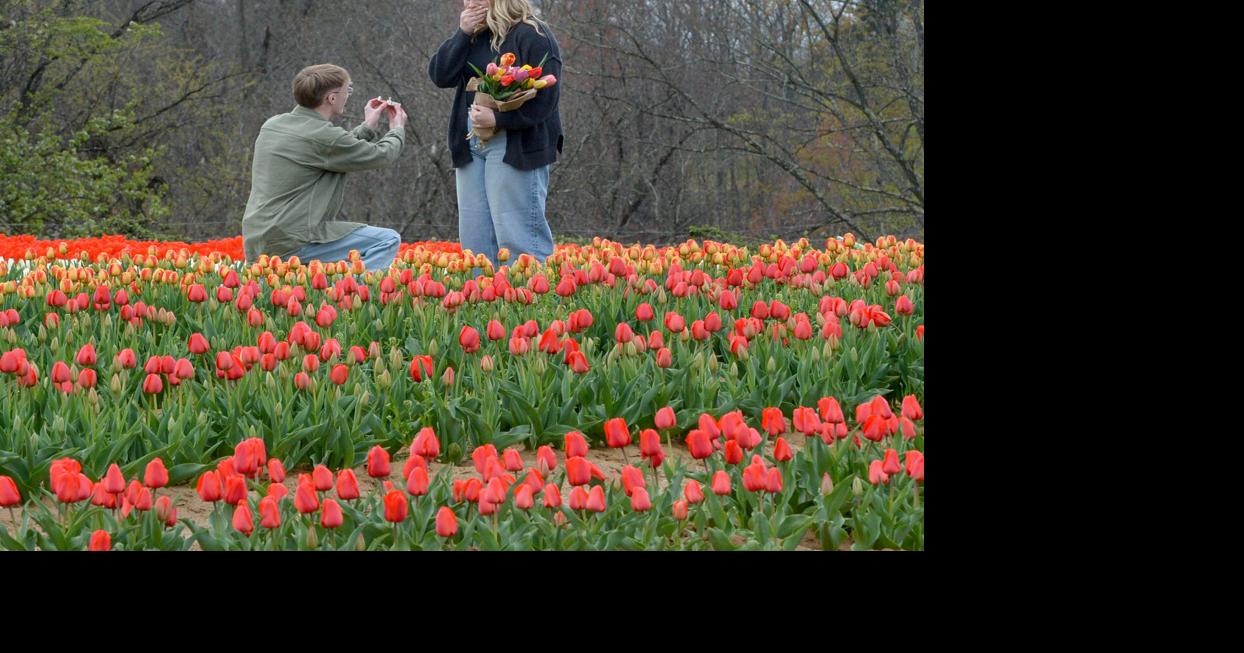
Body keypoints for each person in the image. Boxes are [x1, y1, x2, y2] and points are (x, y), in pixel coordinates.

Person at [429, 0, 562, 268]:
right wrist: (462, 34)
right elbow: (440, 75)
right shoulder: (474, 35)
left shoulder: (533, 35)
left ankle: (529, 305)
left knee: (518, 238)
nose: (469, 2)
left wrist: (500, 117)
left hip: (514, 143)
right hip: (471, 144)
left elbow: (546, 101)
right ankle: (483, 306)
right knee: (475, 243)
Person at [242, 64, 408, 272]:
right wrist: (397, 129)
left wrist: (367, 128)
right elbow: (382, 155)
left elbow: (328, 150)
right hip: (293, 240)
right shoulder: (323, 137)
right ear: (331, 98)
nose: (348, 96)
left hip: (258, 239)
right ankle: (349, 294)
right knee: (387, 240)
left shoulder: (273, 125)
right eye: (347, 90)